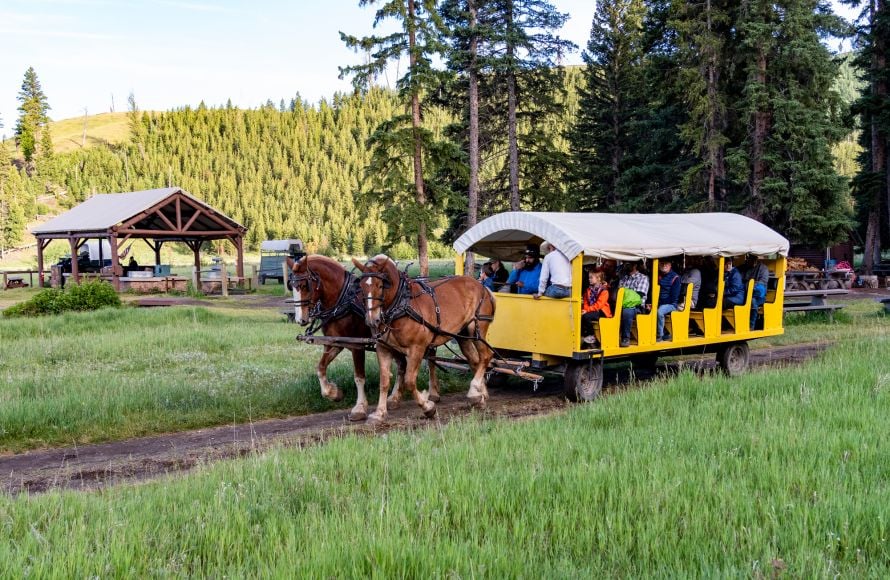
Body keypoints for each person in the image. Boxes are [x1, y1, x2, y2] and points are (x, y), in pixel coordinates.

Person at [618, 261, 650, 347]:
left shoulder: (643, 278)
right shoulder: (624, 278)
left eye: (628, 263)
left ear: (635, 265)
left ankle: (625, 338)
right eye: (625, 263)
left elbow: (638, 296)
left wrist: (625, 293)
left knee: (627, 311)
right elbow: (619, 293)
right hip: (621, 304)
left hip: (637, 306)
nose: (625, 265)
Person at [581, 270, 612, 346]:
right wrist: (585, 309)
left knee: (586, 316)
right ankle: (583, 335)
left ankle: (592, 336)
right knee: (580, 314)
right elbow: (585, 301)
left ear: (598, 279)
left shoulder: (604, 291)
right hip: (591, 310)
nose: (589, 279)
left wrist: (587, 310)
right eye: (589, 277)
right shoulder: (588, 290)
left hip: (602, 311)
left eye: (591, 278)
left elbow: (599, 305)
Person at [655, 258, 682, 342]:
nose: (664, 265)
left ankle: (660, 335)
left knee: (659, 312)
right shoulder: (656, 275)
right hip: (658, 302)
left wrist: (658, 304)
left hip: (671, 304)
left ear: (670, 265)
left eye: (666, 263)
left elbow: (674, 297)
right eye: (662, 263)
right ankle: (664, 333)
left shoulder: (675, 277)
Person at [742, 254, 769, 329]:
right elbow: (742, 279)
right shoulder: (746, 267)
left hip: (759, 295)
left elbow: (762, 282)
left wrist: (749, 285)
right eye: (750, 259)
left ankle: (751, 326)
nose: (752, 261)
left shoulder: (763, 269)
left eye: (753, 259)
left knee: (752, 301)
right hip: (746, 292)